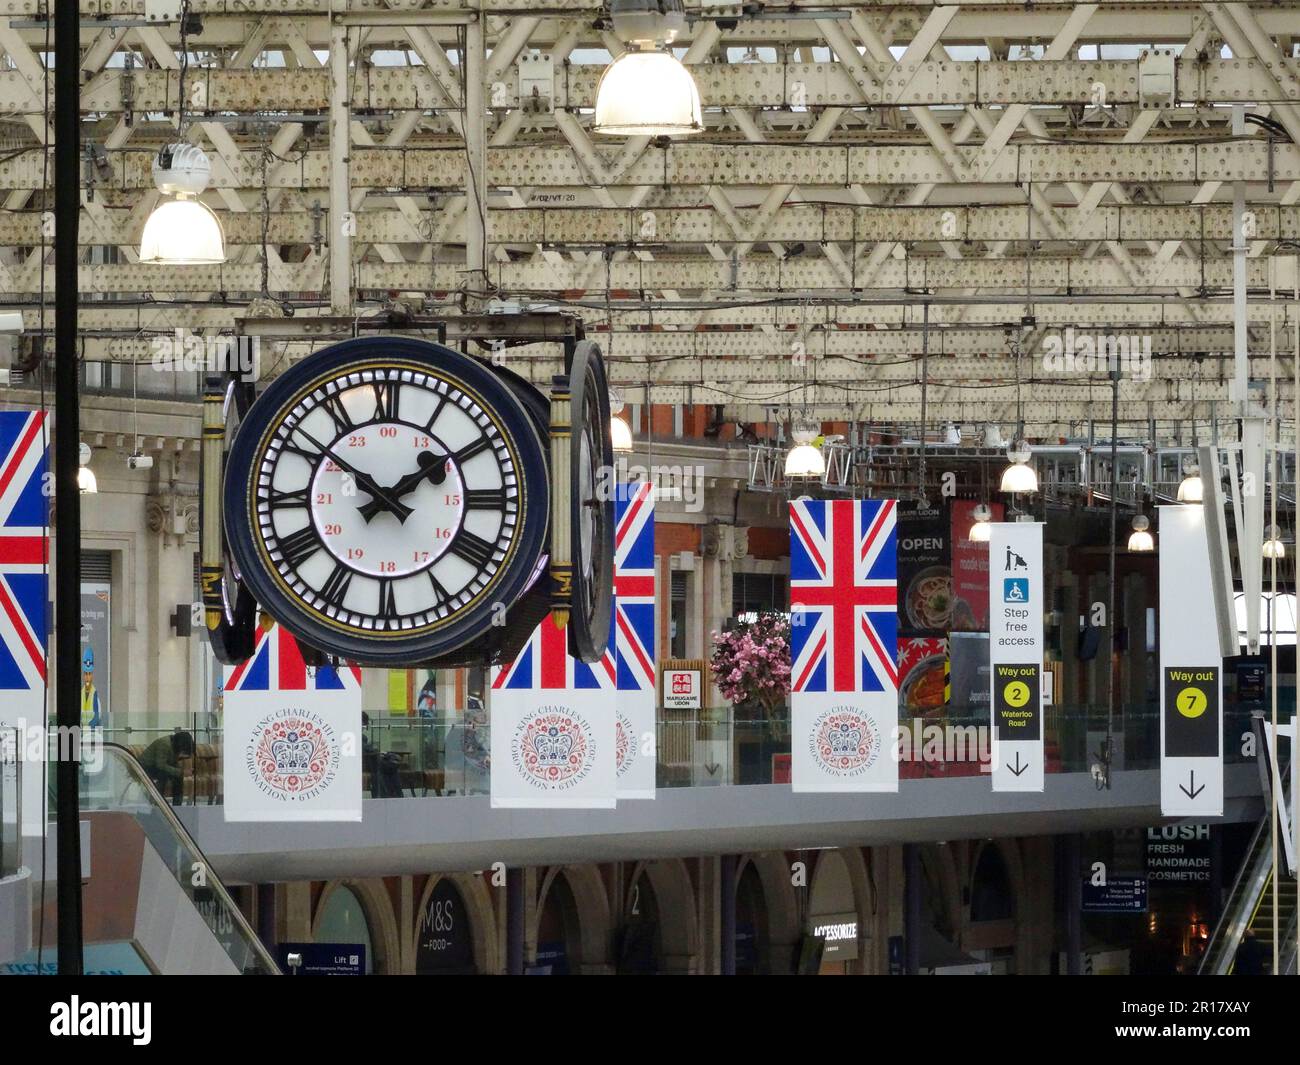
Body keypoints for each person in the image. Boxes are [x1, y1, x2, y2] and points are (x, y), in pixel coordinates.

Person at [138, 730, 194, 804]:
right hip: (146, 766)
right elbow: (160, 765)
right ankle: (158, 804)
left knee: (178, 777)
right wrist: (180, 771)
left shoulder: (174, 745)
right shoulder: (164, 744)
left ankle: (177, 805)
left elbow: (172, 763)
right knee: (163, 776)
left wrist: (182, 772)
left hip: (157, 766)